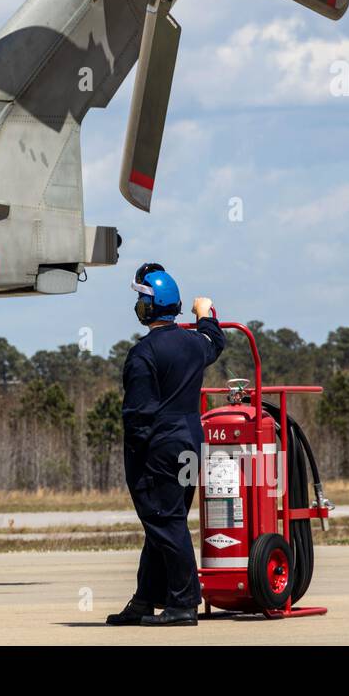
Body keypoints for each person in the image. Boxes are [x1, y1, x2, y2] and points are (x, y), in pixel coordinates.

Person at [107, 262, 225, 627]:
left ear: (149, 306)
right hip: (191, 441)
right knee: (163, 521)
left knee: (164, 521)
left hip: (160, 447)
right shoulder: (193, 343)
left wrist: (137, 457)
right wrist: (205, 314)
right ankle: (146, 599)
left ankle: (183, 603)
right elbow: (214, 341)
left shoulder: (143, 354)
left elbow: (138, 416)